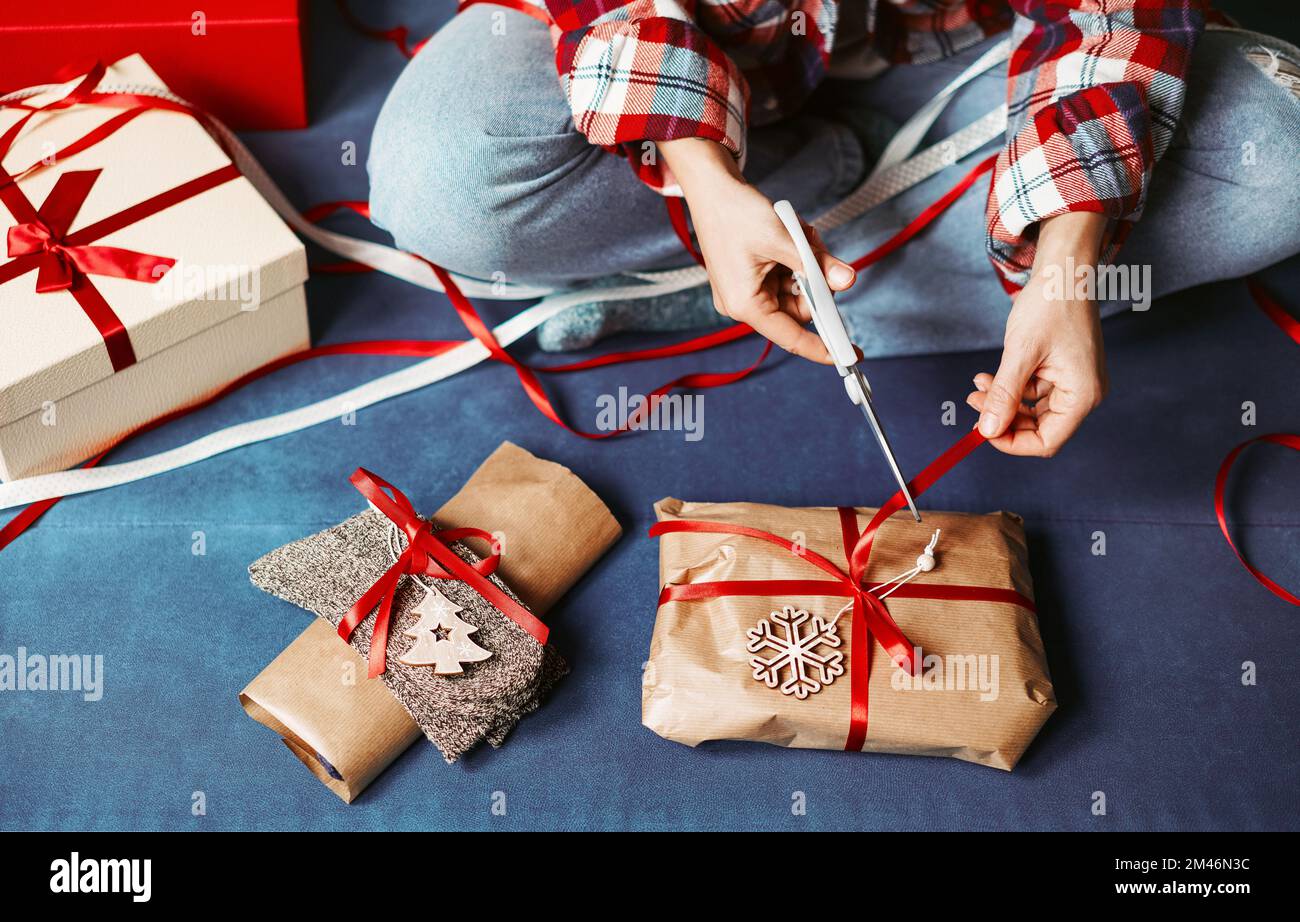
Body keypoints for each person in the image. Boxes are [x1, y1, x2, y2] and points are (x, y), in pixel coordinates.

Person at [368, 1, 1300, 457]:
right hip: (676, 51)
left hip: (985, 58)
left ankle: (710, 285)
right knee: (439, 182)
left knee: (1280, 161)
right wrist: (697, 171)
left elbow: (1110, 15)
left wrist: (1066, 261)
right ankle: (758, 235)